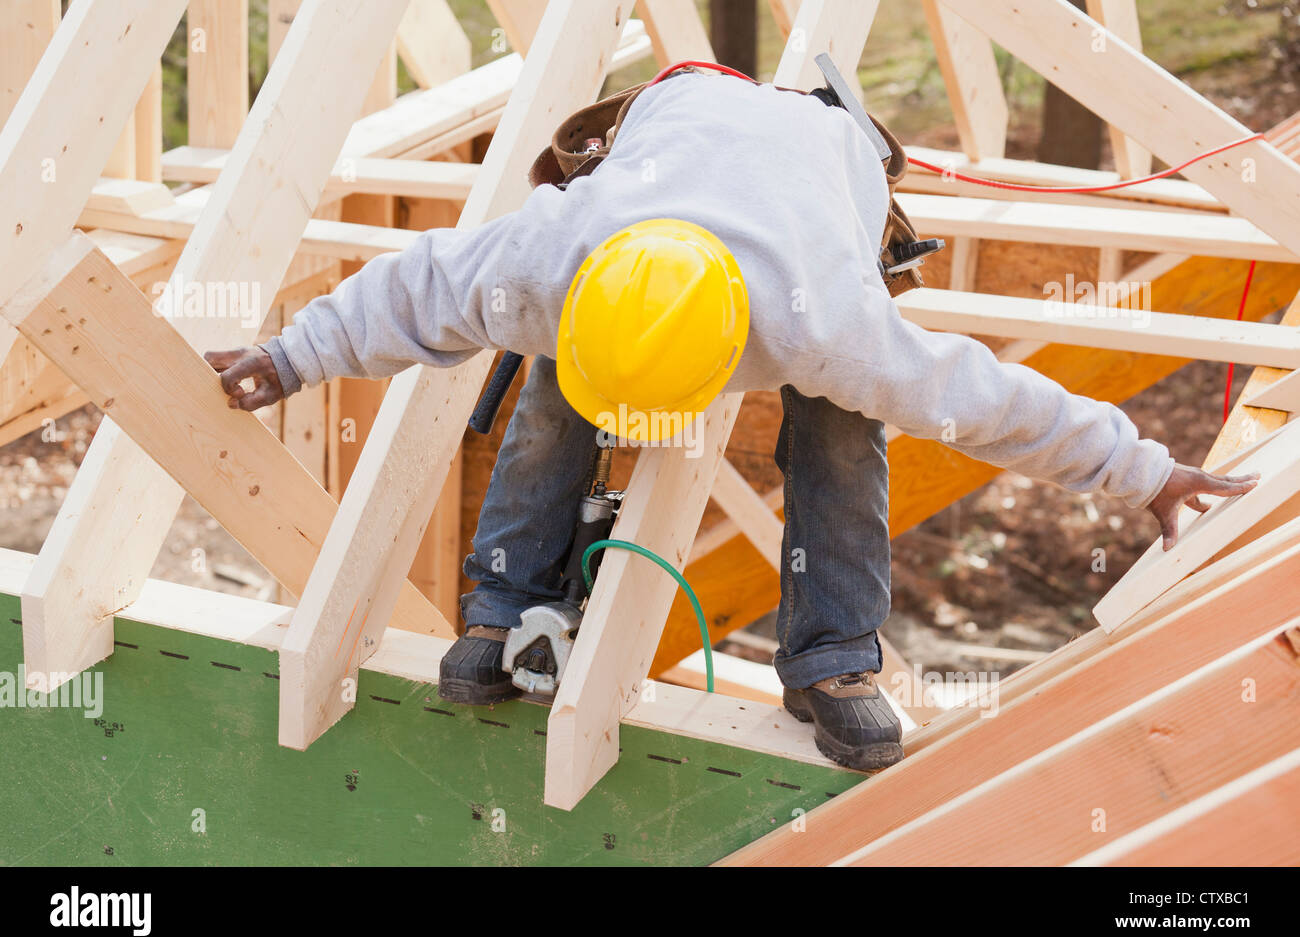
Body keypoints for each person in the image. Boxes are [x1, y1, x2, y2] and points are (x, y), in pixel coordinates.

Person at [205, 69, 1256, 772]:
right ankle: (500, 613)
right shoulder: (549, 259)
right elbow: (413, 286)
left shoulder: (822, 321)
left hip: (824, 152)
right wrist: (287, 355)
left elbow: (986, 402)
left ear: (731, 361)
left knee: (842, 430)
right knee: (548, 387)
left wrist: (1148, 471)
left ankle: (831, 653)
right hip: (679, 113)